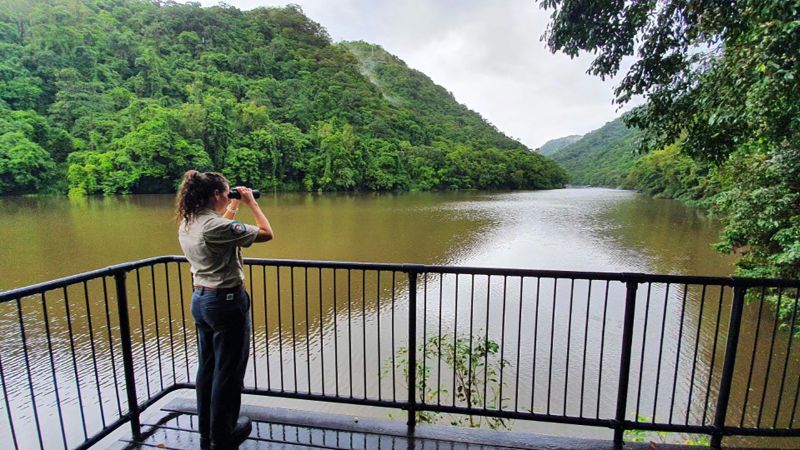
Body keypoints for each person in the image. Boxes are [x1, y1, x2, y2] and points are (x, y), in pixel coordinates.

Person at [175, 170, 273, 449]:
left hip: (202, 301)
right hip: (227, 303)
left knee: (207, 368)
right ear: (217, 194)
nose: (232, 196)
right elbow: (267, 233)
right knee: (228, 372)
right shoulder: (213, 227)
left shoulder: (188, 221)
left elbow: (220, 229)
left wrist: (234, 204)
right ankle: (223, 434)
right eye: (228, 192)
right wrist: (252, 204)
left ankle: (207, 431)